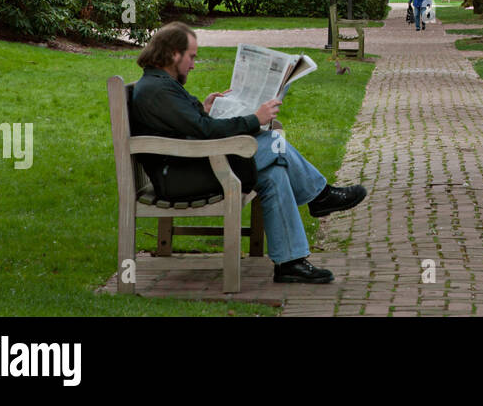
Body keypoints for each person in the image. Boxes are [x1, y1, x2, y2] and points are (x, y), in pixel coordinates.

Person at [128, 22, 367, 284]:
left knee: (273, 173)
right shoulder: (157, 89)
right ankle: (321, 196)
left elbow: (191, 125)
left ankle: (290, 263)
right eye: (191, 57)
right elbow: (204, 132)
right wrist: (255, 118)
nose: (193, 64)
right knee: (274, 141)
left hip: (190, 166)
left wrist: (204, 108)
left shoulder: (160, 84)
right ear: (174, 53)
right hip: (181, 177)